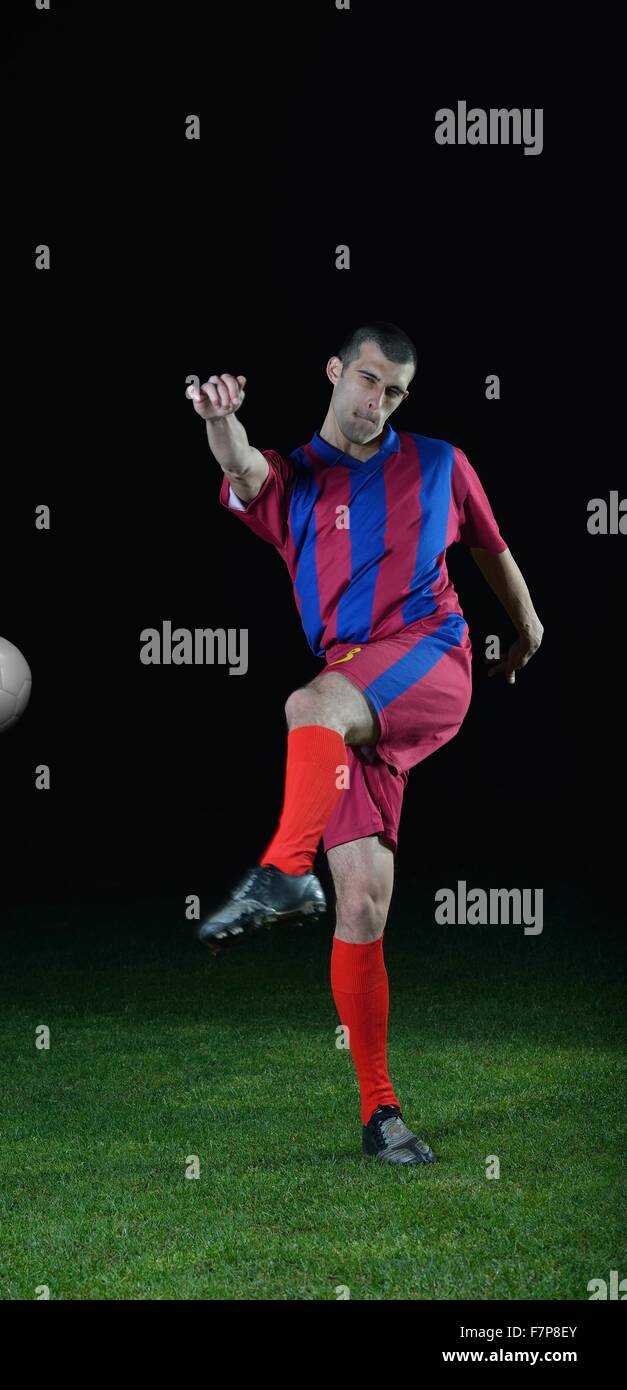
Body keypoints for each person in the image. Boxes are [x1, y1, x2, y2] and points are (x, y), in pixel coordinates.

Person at [187, 321, 544, 1164]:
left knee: (306, 704)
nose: (375, 401)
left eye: (392, 391)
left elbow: (492, 549)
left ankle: (279, 873)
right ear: (335, 372)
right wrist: (215, 416)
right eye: (367, 381)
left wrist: (526, 630)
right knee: (360, 905)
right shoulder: (291, 479)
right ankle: (380, 1114)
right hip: (355, 690)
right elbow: (237, 462)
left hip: (429, 655)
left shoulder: (438, 463)